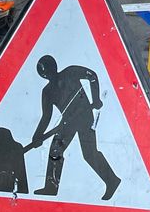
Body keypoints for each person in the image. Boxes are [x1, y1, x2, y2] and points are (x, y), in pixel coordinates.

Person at [28, 54, 120, 200]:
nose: (49, 74)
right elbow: (46, 116)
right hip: (67, 123)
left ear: (54, 67)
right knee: (55, 150)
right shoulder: (47, 91)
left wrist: (96, 99)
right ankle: (51, 187)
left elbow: (92, 75)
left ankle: (112, 180)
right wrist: (37, 135)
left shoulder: (70, 72)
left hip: (84, 117)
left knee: (89, 154)